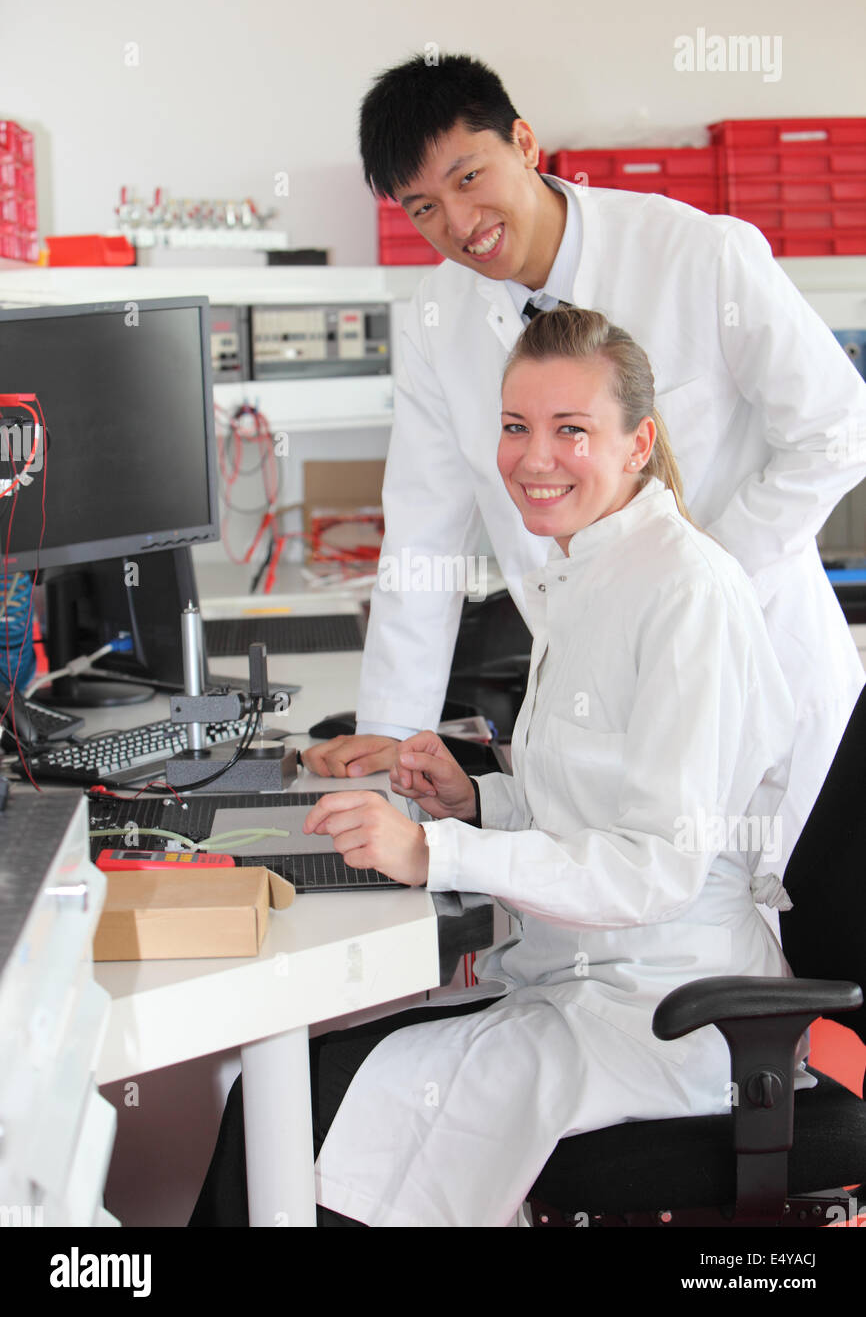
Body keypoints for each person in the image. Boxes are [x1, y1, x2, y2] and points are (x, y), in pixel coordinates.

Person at [191, 307, 803, 1228]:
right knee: (285, 1098)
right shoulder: (590, 570)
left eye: (571, 431)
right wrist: (476, 797)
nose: (534, 457)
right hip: (583, 977)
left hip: (667, 1011)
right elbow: (593, 797)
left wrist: (437, 852)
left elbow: (653, 865)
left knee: (299, 1112)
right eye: (517, 426)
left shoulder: (686, 595)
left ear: (638, 444)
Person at [305, 52, 866, 876]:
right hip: (588, 701)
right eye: (425, 208)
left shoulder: (698, 255)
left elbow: (838, 428)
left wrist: (698, 585)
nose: (460, 224)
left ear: (524, 143)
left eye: (470, 177)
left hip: (755, 661)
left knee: (768, 934)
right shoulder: (435, 322)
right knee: (605, 918)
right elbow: (423, 541)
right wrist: (392, 742)